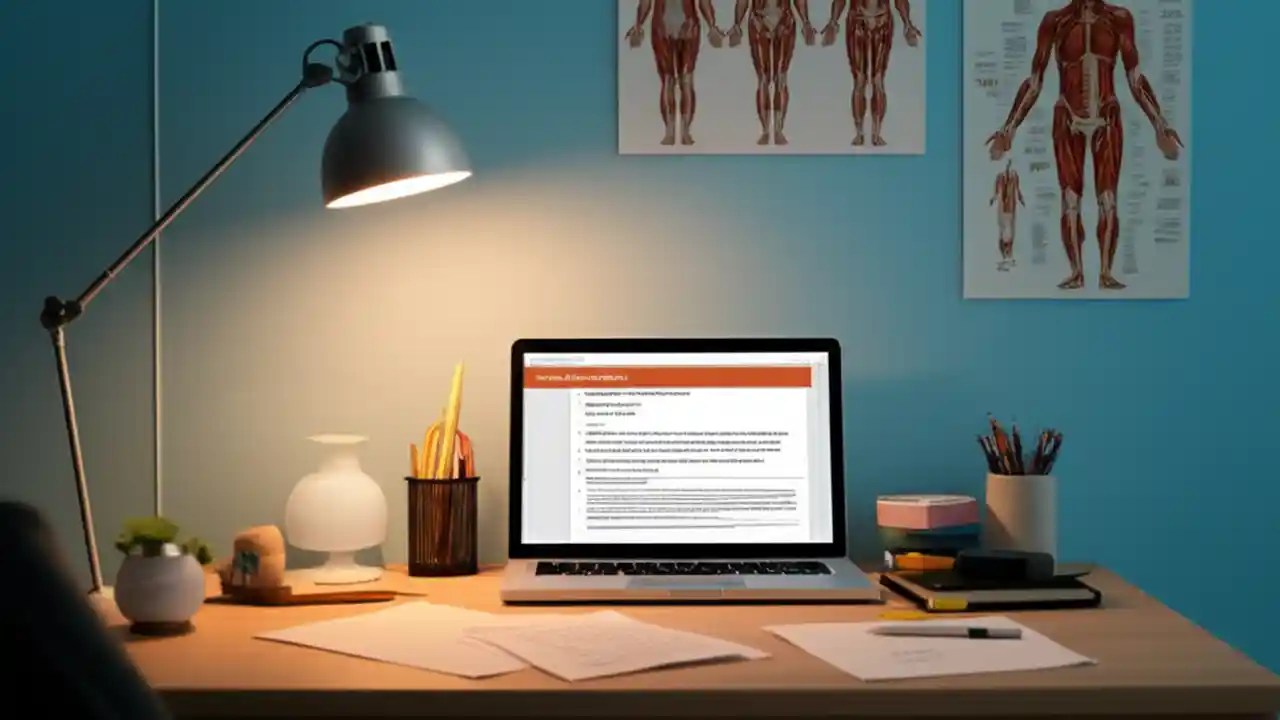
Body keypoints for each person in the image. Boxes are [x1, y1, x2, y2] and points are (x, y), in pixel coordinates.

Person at [986, 0, 1182, 290]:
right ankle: (1077, 272)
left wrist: (1159, 123)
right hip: (1068, 116)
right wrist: (1009, 127)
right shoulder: (1056, 21)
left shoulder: (1119, 18)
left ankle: (1105, 272)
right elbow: (1035, 80)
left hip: (1107, 115)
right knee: (1070, 200)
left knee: (1108, 201)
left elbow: (1135, 77)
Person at [821, 0, 921, 146]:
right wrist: (833, 21)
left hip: (882, 21)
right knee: (860, 80)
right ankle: (860, 132)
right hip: (857, 21)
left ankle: (876, 133)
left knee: (878, 79)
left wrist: (907, 23)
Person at [626, 0, 725, 146]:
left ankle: (683, 131)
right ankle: (671, 131)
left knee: (683, 81)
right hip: (664, 28)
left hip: (686, 27)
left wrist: (712, 26)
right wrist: (638, 25)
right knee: (670, 81)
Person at [727, 1, 818, 146]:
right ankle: (765, 130)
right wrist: (737, 23)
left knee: (780, 77)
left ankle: (778, 129)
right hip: (758, 21)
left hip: (784, 21)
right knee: (763, 78)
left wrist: (806, 22)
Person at [990, 160, 1025, 271]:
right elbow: (996, 191)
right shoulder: (1000, 176)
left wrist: (1021, 199)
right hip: (1002, 206)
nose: (1008, 166)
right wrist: (993, 199)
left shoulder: (1014, 176)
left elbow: (1018, 190)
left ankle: (1008, 255)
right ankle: (1004, 256)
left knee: (1010, 230)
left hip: (1011, 205)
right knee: (1003, 230)